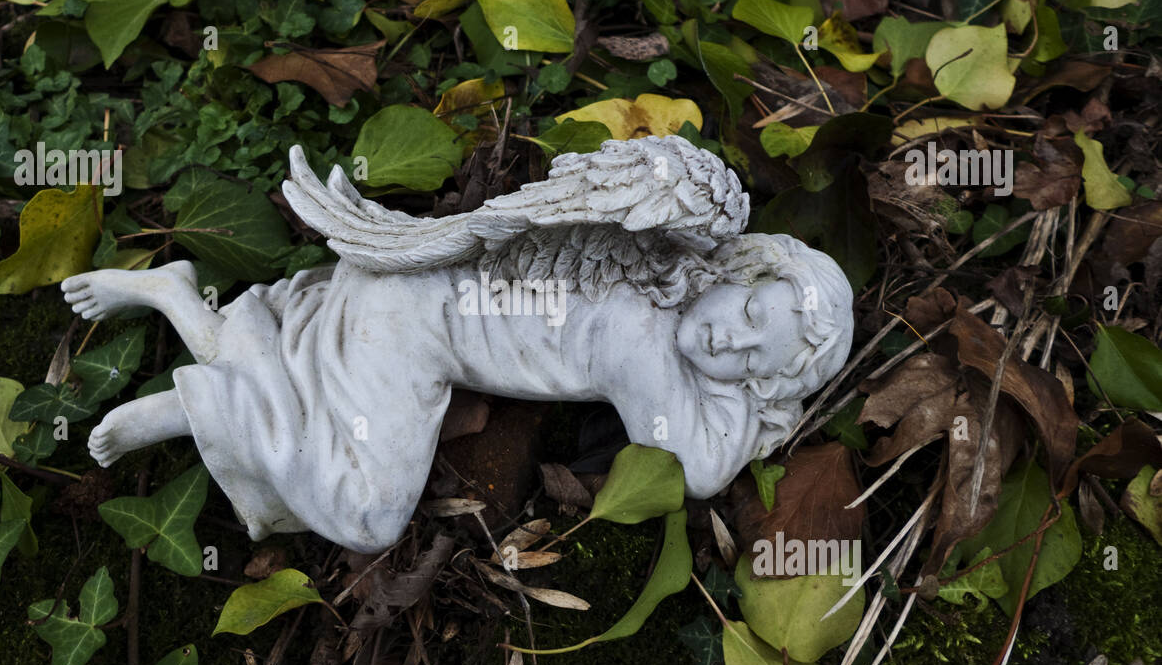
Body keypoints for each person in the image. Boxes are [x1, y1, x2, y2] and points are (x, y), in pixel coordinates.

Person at [61, 137, 853, 552]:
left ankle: (178, 296)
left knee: (322, 398)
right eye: (749, 314)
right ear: (746, 265)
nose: (726, 343)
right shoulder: (639, 337)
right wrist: (762, 406)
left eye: (753, 361)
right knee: (368, 519)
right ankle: (203, 405)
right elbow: (697, 468)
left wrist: (752, 385)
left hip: (403, 286)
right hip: (410, 325)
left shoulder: (656, 268)